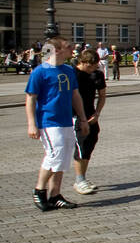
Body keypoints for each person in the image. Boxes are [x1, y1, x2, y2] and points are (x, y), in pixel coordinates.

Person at [25, 35, 88, 210]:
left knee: (63, 158)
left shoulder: (68, 70)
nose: (72, 48)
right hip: (48, 121)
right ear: (57, 50)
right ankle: (39, 190)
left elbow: (76, 96)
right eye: (68, 46)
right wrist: (31, 123)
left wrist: (82, 118)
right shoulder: (40, 72)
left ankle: (55, 195)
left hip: (66, 120)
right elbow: (30, 98)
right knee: (54, 155)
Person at [72, 49, 107, 195]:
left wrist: (97, 113)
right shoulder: (73, 74)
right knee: (82, 146)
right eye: (90, 66)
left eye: (95, 66)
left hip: (91, 115)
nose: (93, 69)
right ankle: (79, 180)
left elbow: (102, 95)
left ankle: (83, 178)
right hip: (76, 116)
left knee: (90, 144)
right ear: (82, 62)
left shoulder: (97, 74)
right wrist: (80, 118)